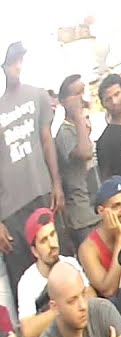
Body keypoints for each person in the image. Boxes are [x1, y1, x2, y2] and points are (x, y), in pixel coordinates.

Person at [0, 42, 62, 320]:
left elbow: (47, 141)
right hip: (9, 210)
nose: (16, 66)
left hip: (41, 194)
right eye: (10, 62)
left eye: (19, 60)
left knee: (57, 263)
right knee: (24, 281)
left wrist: (56, 184)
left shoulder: (37, 96)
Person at [17, 209, 95, 337]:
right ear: (34, 251)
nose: (52, 244)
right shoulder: (27, 282)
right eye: (44, 240)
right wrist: (62, 308)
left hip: (80, 331)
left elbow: (92, 296)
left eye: (53, 235)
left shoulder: (70, 263)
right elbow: (28, 331)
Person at [53, 75, 99, 254]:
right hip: (82, 217)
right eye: (76, 93)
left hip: (96, 210)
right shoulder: (64, 133)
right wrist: (78, 116)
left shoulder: (83, 128)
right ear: (64, 101)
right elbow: (85, 153)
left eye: (83, 92)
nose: (82, 98)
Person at [95, 74, 121, 194]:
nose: (114, 101)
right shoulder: (104, 142)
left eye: (117, 94)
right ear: (103, 104)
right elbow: (107, 180)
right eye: (108, 99)